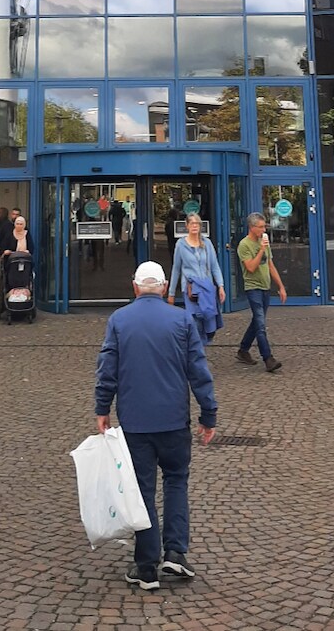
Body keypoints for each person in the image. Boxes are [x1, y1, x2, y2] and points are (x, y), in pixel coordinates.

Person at [94, 260, 219, 592]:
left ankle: (146, 565)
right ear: (164, 288)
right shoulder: (182, 320)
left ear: (135, 287)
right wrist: (208, 413)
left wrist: (102, 407)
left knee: (142, 490)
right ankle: (176, 552)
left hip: (136, 422)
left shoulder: (119, 320)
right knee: (176, 482)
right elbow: (198, 369)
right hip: (174, 419)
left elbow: (107, 368)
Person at [236, 211, 287, 372]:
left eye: (264, 226)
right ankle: (268, 358)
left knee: (257, 321)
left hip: (265, 287)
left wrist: (281, 286)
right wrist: (261, 249)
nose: (264, 230)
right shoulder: (244, 245)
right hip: (253, 288)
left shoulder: (264, 241)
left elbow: (270, 265)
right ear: (251, 227)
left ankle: (243, 350)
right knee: (260, 325)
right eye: (260, 227)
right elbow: (251, 267)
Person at [167, 213, 224, 343]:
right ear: (187, 226)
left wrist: (221, 286)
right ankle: (197, 351)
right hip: (191, 289)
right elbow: (176, 269)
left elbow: (214, 266)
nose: (194, 226)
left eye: (197, 223)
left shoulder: (207, 243)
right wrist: (171, 293)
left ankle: (201, 346)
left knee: (210, 324)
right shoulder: (181, 245)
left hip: (207, 289)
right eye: (192, 223)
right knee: (196, 323)